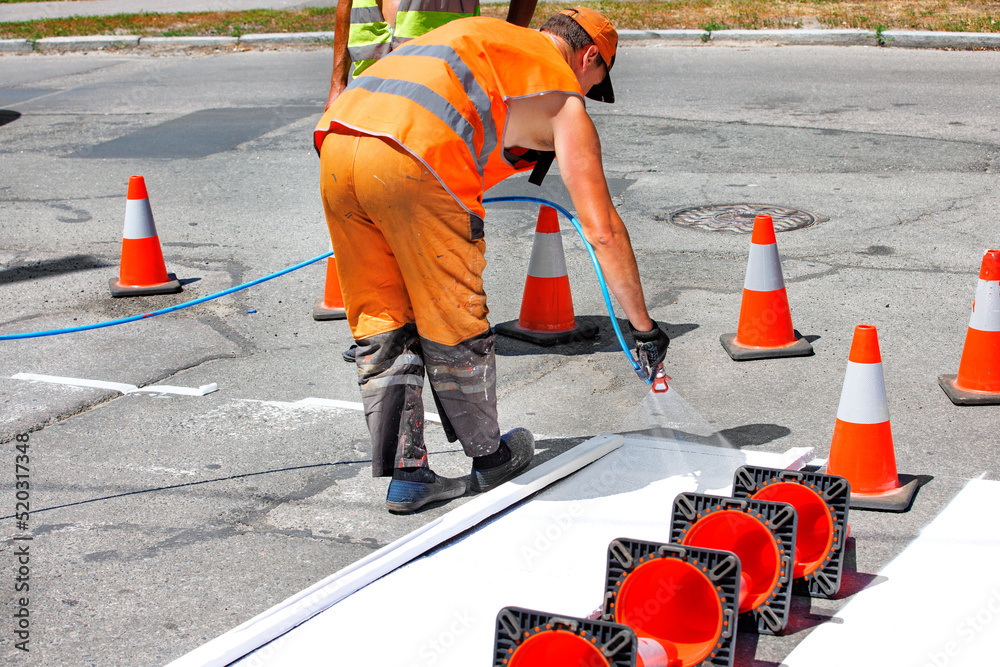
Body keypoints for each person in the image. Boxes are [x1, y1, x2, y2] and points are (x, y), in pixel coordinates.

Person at [315, 7, 671, 514]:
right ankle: (491, 457)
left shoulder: (486, 41)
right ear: (589, 56)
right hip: (417, 155)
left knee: (382, 321)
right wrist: (644, 327)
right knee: (452, 318)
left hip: (339, 143)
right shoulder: (561, 95)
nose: (589, 95)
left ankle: (408, 474)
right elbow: (603, 229)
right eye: (596, 82)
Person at [325, 0, 538, 111]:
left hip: (440, 92)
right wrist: (338, 83)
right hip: (367, 86)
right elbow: (347, 3)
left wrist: (504, 51)